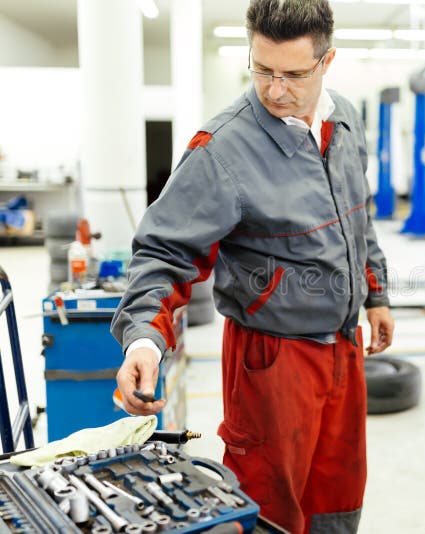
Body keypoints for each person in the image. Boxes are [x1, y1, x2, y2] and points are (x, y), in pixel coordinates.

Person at [111, 1, 394, 532]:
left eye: (293, 74)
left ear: (327, 62)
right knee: (268, 506)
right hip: (272, 361)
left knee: (337, 495)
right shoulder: (222, 150)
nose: (275, 89)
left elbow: (360, 215)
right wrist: (144, 341)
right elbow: (163, 253)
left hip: (344, 350)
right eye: (262, 69)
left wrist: (375, 294)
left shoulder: (347, 121)